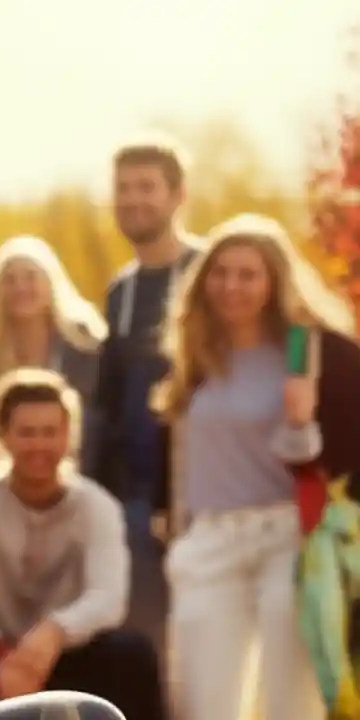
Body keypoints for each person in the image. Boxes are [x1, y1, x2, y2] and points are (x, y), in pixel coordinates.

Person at [152, 213, 360, 720]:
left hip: (287, 538)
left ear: (274, 280)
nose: (232, 286)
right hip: (210, 540)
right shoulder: (196, 353)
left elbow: (345, 455)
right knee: (203, 698)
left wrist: (300, 422)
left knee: (291, 700)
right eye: (220, 273)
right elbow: (175, 446)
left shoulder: (310, 350)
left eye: (248, 274)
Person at [0, 369, 164, 720]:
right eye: (27, 433)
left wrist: (54, 634)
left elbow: (108, 598)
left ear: (68, 436)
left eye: (50, 432)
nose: (39, 445)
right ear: (3, 436)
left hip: (68, 652)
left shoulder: (97, 506)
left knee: (133, 657)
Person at [89, 134, 201, 655]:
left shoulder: (209, 275)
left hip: (202, 502)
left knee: (205, 655)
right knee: (147, 651)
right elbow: (109, 404)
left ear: (178, 196)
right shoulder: (122, 291)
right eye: (123, 188)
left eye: (147, 187)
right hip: (134, 509)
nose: (133, 199)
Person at [0, 235, 106, 483]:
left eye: (31, 277)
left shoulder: (90, 352)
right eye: (9, 280)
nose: (21, 287)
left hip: (80, 494)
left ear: (50, 284)